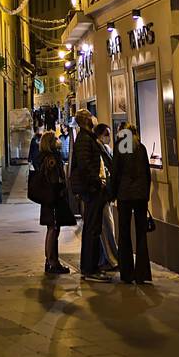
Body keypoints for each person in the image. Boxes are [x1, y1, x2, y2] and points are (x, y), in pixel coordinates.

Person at [69, 110, 110, 281]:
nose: (94, 118)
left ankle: (91, 267)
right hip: (91, 190)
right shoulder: (85, 139)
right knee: (91, 229)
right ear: (86, 120)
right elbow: (86, 165)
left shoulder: (86, 137)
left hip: (91, 189)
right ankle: (90, 269)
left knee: (92, 228)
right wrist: (97, 182)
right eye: (91, 116)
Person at [109, 123, 152, 284]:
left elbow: (115, 173)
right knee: (141, 234)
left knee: (124, 233)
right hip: (140, 196)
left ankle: (127, 273)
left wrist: (112, 194)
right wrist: (146, 195)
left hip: (125, 195)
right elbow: (147, 174)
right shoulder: (141, 148)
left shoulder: (120, 148)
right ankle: (142, 273)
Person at [31, 130, 74, 273]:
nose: (58, 140)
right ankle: (52, 262)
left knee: (52, 229)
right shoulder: (51, 159)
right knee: (53, 229)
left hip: (48, 199)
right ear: (51, 143)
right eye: (55, 138)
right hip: (53, 199)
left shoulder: (45, 157)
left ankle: (50, 261)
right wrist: (61, 190)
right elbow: (54, 180)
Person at [93, 123, 119, 273]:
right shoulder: (98, 150)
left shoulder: (105, 149)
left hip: (107, 195)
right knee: (106, 227)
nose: (109, 137)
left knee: (109, 227)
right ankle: (111, 259)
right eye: (107, 134)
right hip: (103, 195)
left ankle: (109, 258)